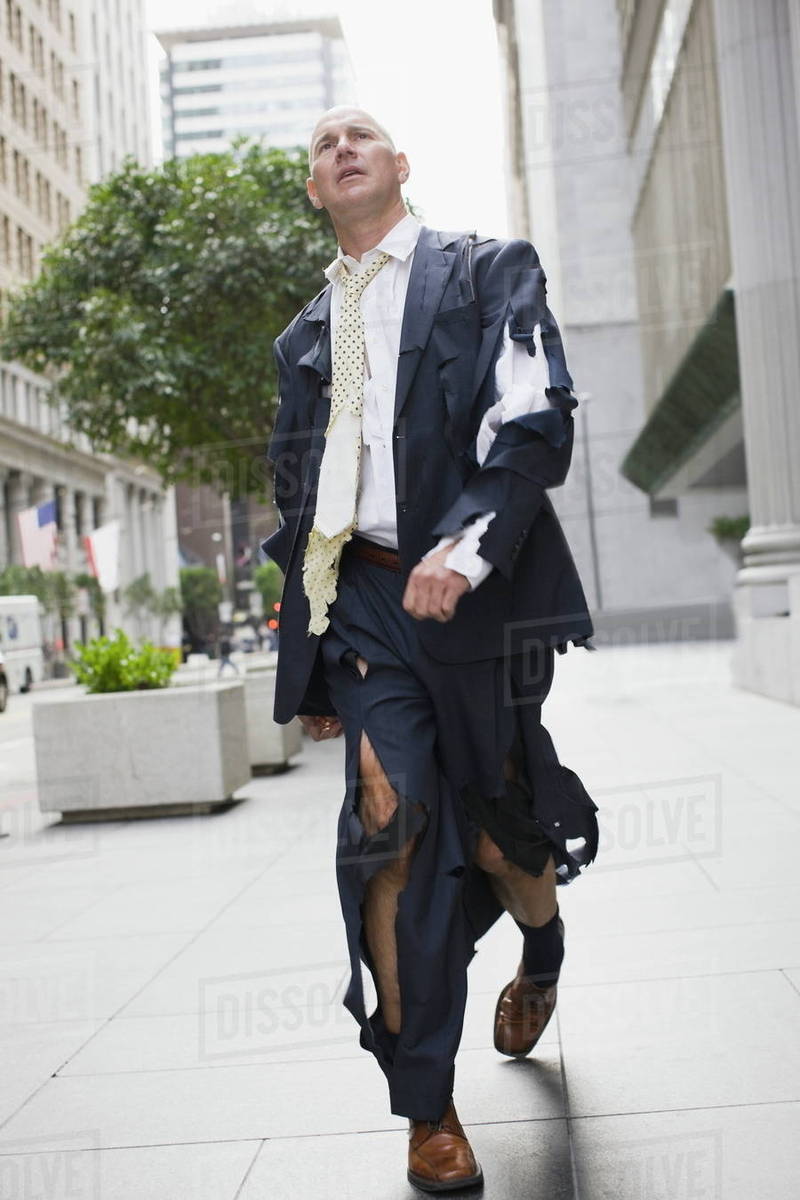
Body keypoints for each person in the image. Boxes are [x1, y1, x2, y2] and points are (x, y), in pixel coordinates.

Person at [261, 106, 599, 1193]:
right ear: (315, 191)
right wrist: (313, 656)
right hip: (363, 601)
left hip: (477, 602)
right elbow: (295, 496)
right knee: (386, 826)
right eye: (321, 147)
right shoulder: (304, 338)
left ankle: (540, 951)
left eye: (358, 135)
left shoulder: (487, 269)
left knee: (502, 839)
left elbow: (532, 411)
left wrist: (463, 547)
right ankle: (426, 1104)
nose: (340, 149)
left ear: (399, 167)